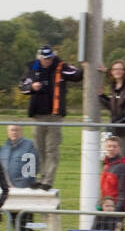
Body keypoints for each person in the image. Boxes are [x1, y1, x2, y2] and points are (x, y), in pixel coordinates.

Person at [19, 45, 84, 190]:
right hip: (38, 116)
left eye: (49, 58)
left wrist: (84, 66)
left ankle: (48, 181)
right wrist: (31, 87)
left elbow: (77, 75)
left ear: (53, 57)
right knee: (39, 148)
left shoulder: (61, 67)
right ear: (39, 57)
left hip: (54, 116)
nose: (47, 61)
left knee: (51, 148)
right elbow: (22, 86)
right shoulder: (32, 69)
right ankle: (42, 178)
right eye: (44, 58)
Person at [0, 124, 38, 231]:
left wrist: (23, 184)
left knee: (25, 217)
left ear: (21, 131)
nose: (14, 133)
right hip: (8, 188)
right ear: (8, 132)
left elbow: (32, 167)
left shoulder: (29, 145)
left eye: (16, 130)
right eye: (11, 130)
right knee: (12, 216)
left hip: (23, 187)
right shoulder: (5, 147)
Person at [98, 58, 125, 146]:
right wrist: (101, 96)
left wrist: (118, 120)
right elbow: (111, 106)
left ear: (124, 71)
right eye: (115, 69)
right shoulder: (113, 87)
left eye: (120, 69)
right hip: (117, 128)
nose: (117, 71)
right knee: (120, 157)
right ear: (112, 71)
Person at [98, 136, 125, 231]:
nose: (111, 149)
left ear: (119, 148)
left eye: (114, 146)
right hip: (106, 207)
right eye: (109, 146)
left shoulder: (122, 167)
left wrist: (117, 214)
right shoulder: (107, 165)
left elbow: (123, 192)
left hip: (114, 209)